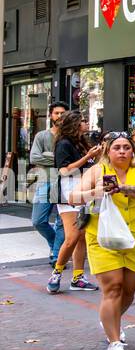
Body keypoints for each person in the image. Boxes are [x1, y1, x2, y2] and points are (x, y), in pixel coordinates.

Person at [69, 132, 135, 350]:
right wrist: (95, 192)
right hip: (102, 236)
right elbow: (72, 197)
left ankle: (110, 320)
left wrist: (122, 188)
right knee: (114, 288)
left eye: (126, 147)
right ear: (108, 150)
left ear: (132, 150)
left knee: (129, 290)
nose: (121, 151)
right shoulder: (97, 171)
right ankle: (115, 344)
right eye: (116, 147)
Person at [47, 111, 101, 294]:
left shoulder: (82, 142)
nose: (86, 124)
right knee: (72, 237)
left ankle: (78, 277)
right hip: (68, 192)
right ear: (75, 124)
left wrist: (96, 155)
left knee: (82, 237)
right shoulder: (63, 144)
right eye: (83, 121)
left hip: (85, 190)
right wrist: (87, 157)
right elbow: (64, 171)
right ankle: (56, 273)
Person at [28, 100, 68, 265]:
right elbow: (34, 157)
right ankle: (54, 245)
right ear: (51, 115)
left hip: (66, 182)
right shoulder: (42, 136)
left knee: (61, 221)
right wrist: (59, 159)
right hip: (45, 181)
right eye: (56, 113)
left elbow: (74, 159)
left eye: (62, 113)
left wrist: (48, 157)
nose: (59, 116)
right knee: (38, 220)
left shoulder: (70, 137)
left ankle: (57, 256)